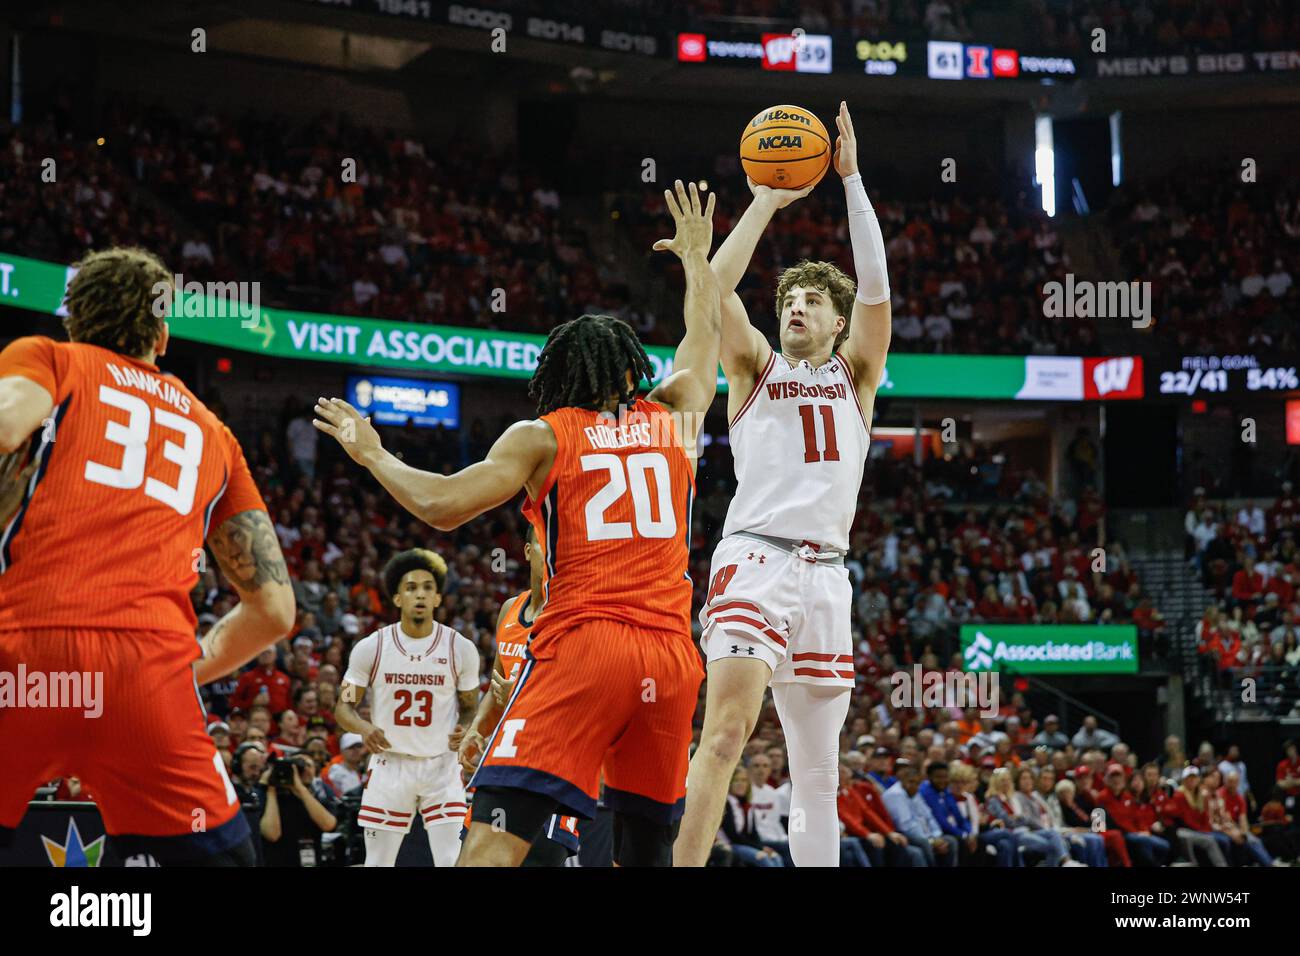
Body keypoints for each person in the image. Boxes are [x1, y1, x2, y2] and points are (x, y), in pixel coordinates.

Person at [316, 181, 721, 867]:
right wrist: (696, 260)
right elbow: (703, 336)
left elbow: (443, 505)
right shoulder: (678, 412)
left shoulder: (544, 435)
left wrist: (373, 452)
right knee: (646, 851)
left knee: (490, 844)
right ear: (632, 369)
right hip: (674, 658)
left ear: (560, 374)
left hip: (588, 646)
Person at [0, 247, 295, 866]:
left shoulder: (52, 358)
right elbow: (273, 610)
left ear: (73, 321)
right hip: (147, 677)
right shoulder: (215, 433)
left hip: (25, 658)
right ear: (162, 333)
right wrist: (180, 675)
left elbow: (5, 426)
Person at [678, 102, 893, 868]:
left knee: (818, 774)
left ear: (836, 324)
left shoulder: (856, 375)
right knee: (727, 736)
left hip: (828, 576)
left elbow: (875, 289)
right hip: (756, 560)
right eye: (788, 300)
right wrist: (766, 199)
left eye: (811, 301)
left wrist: (852, 179)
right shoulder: (754, 368)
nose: (796, 306)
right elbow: (710, 292)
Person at [335, 549, 480, 867]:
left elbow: (471, 707)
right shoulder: (371, 647)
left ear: (439, 598)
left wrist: (465, 727)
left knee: (452, 860)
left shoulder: (460, 648)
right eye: (411, 587)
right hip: (390, 764)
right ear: (397, 598)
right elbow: (343, 708)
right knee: (378, 863)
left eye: (428, 587)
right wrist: (363, 727)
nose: (420, 594)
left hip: (442, 766)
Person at [458, 526, 580, 866]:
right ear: (527, 551)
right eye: (546, 544)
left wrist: (525, 697)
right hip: (502, 765)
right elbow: (497, 689)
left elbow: (583, 703)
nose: (555, 553)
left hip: (551, 769)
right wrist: (475, 730)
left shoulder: (576, 614)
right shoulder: (511, 609)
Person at [259, 753, 338, 867]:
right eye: (298, 766)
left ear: (315, 770)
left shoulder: (321, 793)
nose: (304, 769)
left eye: (308, 765)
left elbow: (328, 825)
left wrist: (300, 790)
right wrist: (271, 789)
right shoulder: (269, 794)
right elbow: (272, 834)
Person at [883, 762, 958, 867]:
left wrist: (937, 836)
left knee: (950, 841)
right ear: (901, 781)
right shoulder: (895, 794)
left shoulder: (915, 793)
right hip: (902, 834)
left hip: (924, 834)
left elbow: (929, 816)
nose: (913, 785)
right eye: (910, 781)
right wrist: (931, 841)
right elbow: (906, 825)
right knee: (923, 843)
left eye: (917, 783)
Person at [1162, 766, 1230, 866]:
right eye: (1189, 778)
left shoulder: (1201, 796)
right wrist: (1204, 831)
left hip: (1198, 830)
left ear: (1198, 779)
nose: (1192, 780)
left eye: (1194, 777)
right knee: (1210, 840)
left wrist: (1206, 830)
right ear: (1184, 779)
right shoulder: (1179, 795)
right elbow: (1186, 820)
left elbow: (1205, 817)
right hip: (1183, 830)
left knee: (1225, 840)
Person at [720, 765, 785, 867]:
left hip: (743, 844)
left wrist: (762, 847)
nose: (740, 784)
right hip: (729, 845)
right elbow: (733, 836)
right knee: (764, 860)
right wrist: (759, 849)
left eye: (744, 780)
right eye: (736, 780)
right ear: (729, 783)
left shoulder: (747, 804)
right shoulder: (726, 803)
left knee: (776, 857)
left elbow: (753, 833)